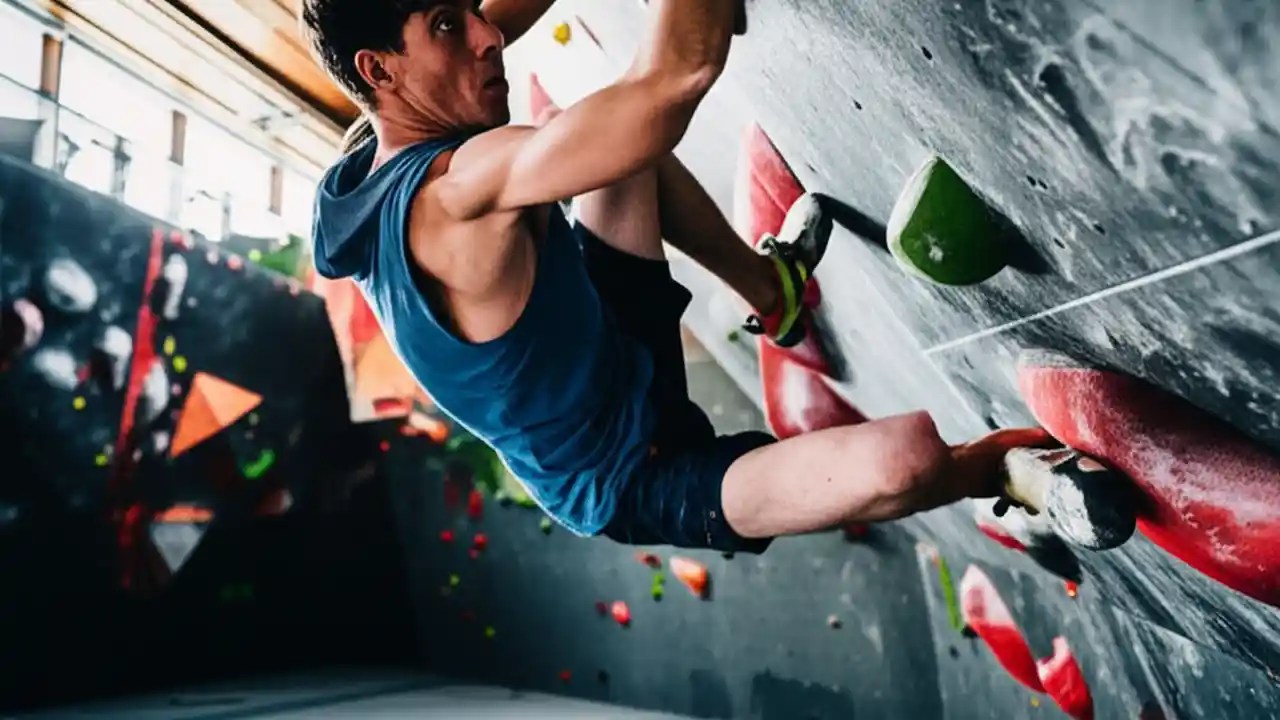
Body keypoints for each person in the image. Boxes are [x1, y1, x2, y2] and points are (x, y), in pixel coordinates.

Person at [303, 0, 1048, 553]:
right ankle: (997, 474)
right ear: (379, 69)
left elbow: (504, 21)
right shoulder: (450, 194)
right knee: (904, 461)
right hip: (630, 475)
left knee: (604, 139)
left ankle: (773, 292)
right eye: (446, 24)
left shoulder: (371, 142)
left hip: (604, 328)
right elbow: (673, 81)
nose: (487, 34)